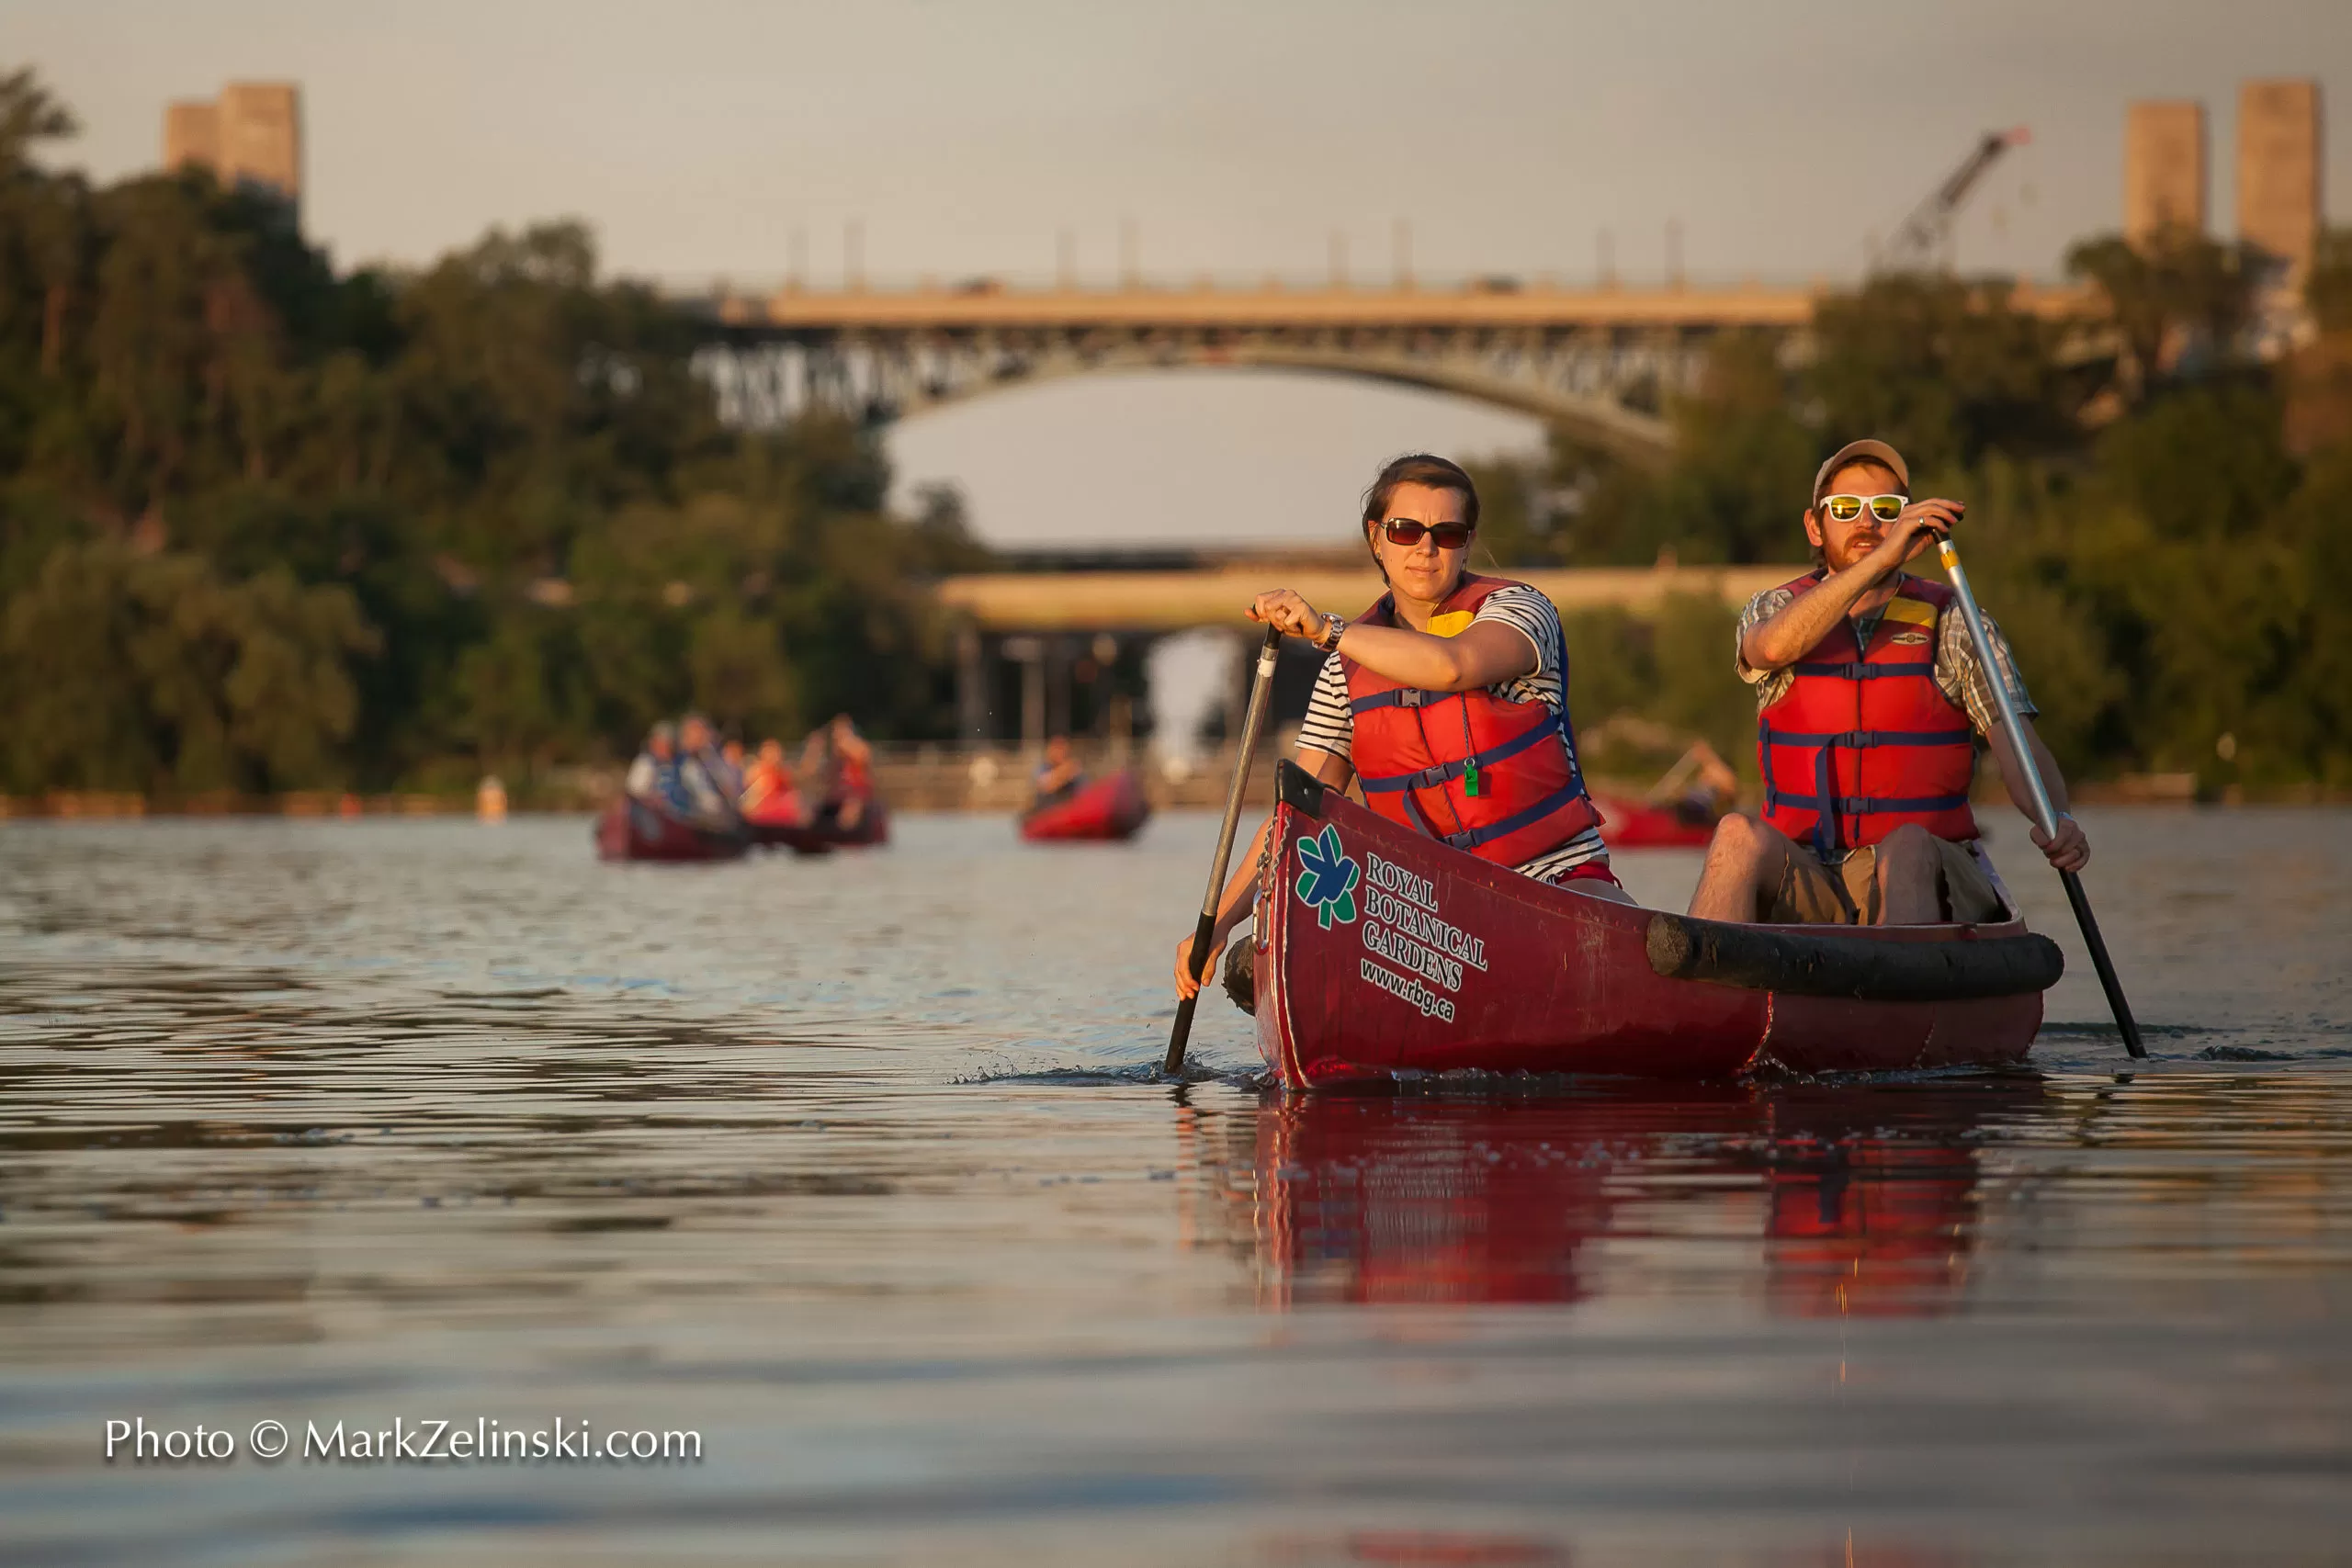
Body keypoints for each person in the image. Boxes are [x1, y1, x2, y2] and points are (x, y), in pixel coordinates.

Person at [1172, 452, 1629, 1001]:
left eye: (1447, 532)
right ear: (1376, 537)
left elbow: (1453, 665)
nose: (1426, 548)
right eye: (1406, 530)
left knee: (1610, 942)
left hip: (1554, 886)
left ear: (1468, 541)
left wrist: (1324, 629)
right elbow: (1293, 818)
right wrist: (1218, 925)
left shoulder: (1520, 609)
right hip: (1436, 925)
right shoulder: (1345, 672)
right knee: (1276, 942)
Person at [1684, 438, 2089, 927]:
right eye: (1847, 508)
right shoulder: (1772, 610)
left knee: (1908, 845)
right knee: (1734, 834)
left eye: (1886, 509)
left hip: (1928, 869)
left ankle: (1899, 992)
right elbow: (1769, 649)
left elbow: (2018, 745)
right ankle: (1705, 992)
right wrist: (1880, 560)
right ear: (1815, 527)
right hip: (1813, 872)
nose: (1866, 522)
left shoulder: (1954, 620)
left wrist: (2058, 820)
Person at [673, 714, 739, 829]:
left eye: (702, 734)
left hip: (719, 819)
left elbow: (730, 786)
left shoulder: (710, 759)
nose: (700, 738)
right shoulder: (678, 762)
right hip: (694, 820)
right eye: (695, 734)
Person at [624, 722, 695, 818]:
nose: (665, 748)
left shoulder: (683, 763)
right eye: (661, 744)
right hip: (657, 816)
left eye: (668, 744)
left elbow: (697, 788)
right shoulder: (645, 763)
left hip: (686, 816)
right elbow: (636, 792)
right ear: (653, 743)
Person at [739, 739, 803, 826]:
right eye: (770, 753)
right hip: (761, 815)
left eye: (776, 754)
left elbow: (792, 795)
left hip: (779, 815)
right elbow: (748, 799)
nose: (774, 757)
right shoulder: (756, 772)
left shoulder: (782, 774)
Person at [1029, 736, 1086, 812]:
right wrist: (1065, 772)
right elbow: (1045, 785)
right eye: (1056, 748)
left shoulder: (1076, 772)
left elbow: (1085, 796)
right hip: (1046, 815)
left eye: (1062, 749)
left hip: (1069, 815)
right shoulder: (1041, 769)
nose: (1059, 753)